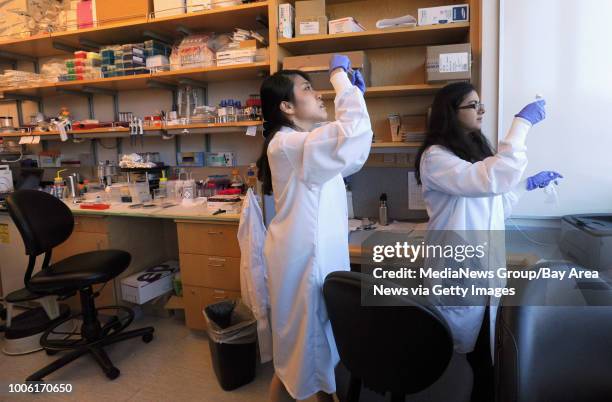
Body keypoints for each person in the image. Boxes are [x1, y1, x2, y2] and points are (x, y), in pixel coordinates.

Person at [414, 82, 562, 401]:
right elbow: (489, 180)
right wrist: (521, 125)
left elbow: (493, 203)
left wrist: (526, 186)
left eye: (481, 104)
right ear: (450, 112)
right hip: (458, 269)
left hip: (482, 267)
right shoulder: (435, 157)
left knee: (483, 352)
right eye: (473, 105)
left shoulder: (472, 153)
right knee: (464, 357)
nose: (481, 110)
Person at [256, 55, 372, 402]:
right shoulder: (287, 143)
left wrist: (354, 95)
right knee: (306, 354)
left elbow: (352, 148)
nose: (319, 94)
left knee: (303, 353)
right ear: (287, 106)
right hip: (303, 262)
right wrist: (341, 80)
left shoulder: (303, 142)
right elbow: (351, 135)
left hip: (310, 258)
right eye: (308, 88)